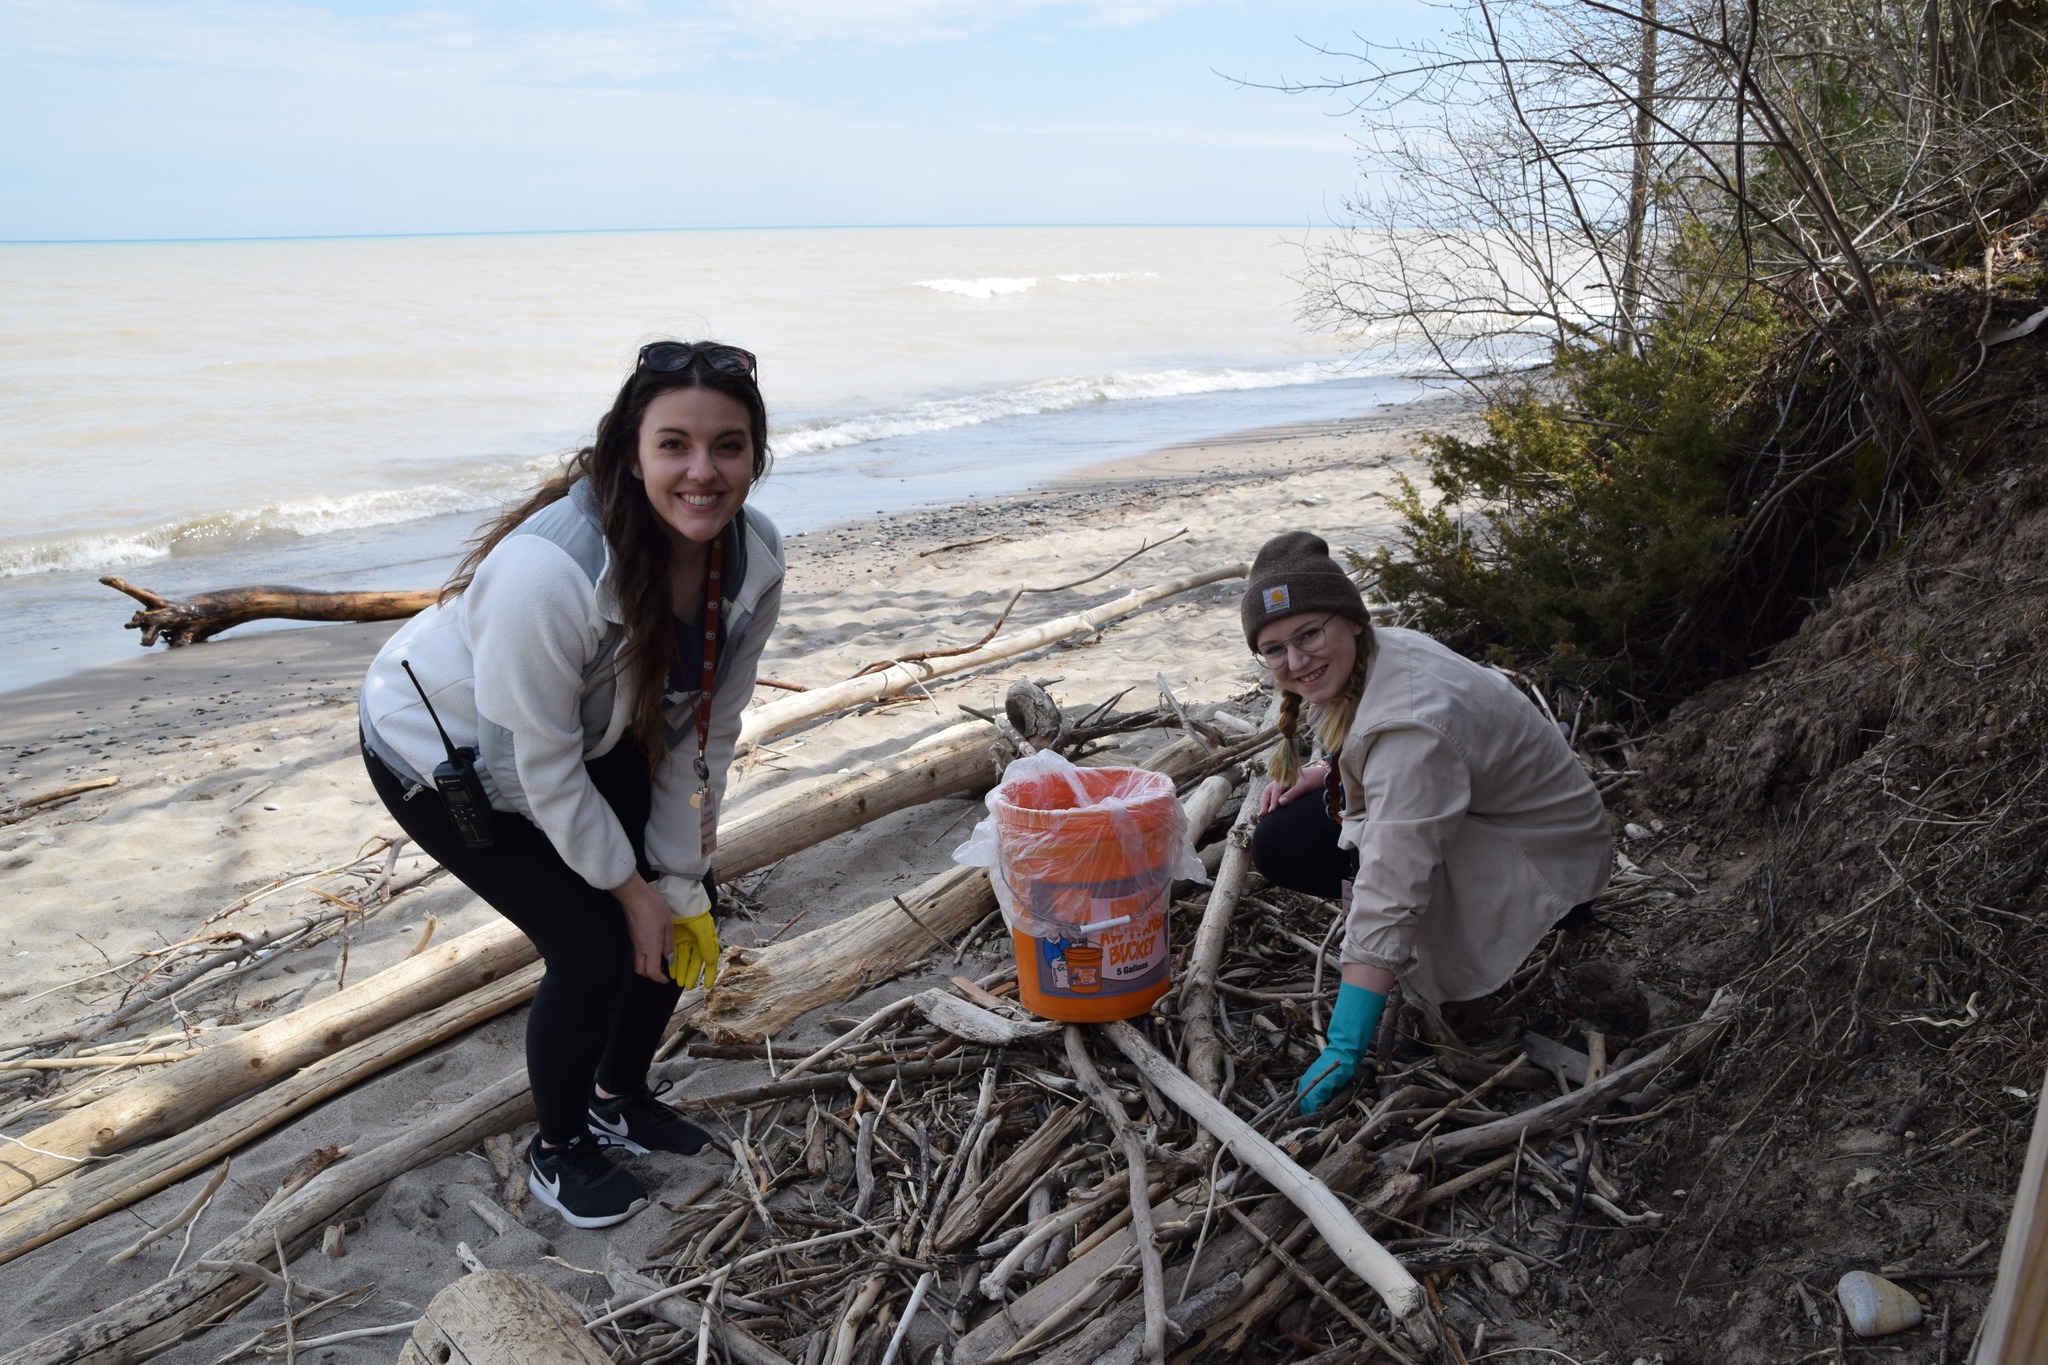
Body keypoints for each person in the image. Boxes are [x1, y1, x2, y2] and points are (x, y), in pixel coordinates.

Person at [357, 341, 783, 1226]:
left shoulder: (754, 562)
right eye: (675, 444)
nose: (702, 471)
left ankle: (618, 1094)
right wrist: (626, 889)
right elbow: (530, 766)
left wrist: (671, 872)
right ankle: (558, 1149)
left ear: (756, 455)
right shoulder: (548, 572)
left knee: (685, 897)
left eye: (728, 446)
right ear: (632, 450)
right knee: (591, 940)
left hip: (592, 726)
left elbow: (705, 728)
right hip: (448, 749)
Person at [1240, 532, 1611, 1114]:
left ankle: (1477, 971)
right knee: (1283, 840)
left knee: (1370, 874)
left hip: (1550, 864)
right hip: (1501, 819)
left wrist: (1346, 1042)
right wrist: (1327, 770)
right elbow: (1370, 741)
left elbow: (1392, 886)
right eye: (1275, 649)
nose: (1295, 662)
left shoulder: (1411, 729)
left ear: (1352, 622)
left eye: (1310, 634)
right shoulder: (1379, 655)